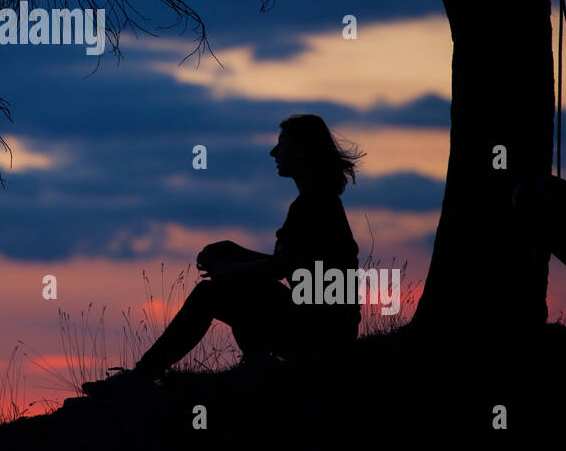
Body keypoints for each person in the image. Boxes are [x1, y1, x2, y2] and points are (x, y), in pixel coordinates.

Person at [82, 114, 364, 397]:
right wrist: (233, 252)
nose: (274, 152)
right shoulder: (317, 201)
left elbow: (277, 268)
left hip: (320, 336)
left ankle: (143, 377)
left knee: (210, 294)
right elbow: (290, 263)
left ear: (303, 151)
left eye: (282, 143)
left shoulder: (313, 205)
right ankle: (255, 361)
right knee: (225, 285)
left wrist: (226, 268)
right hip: (324, 329)